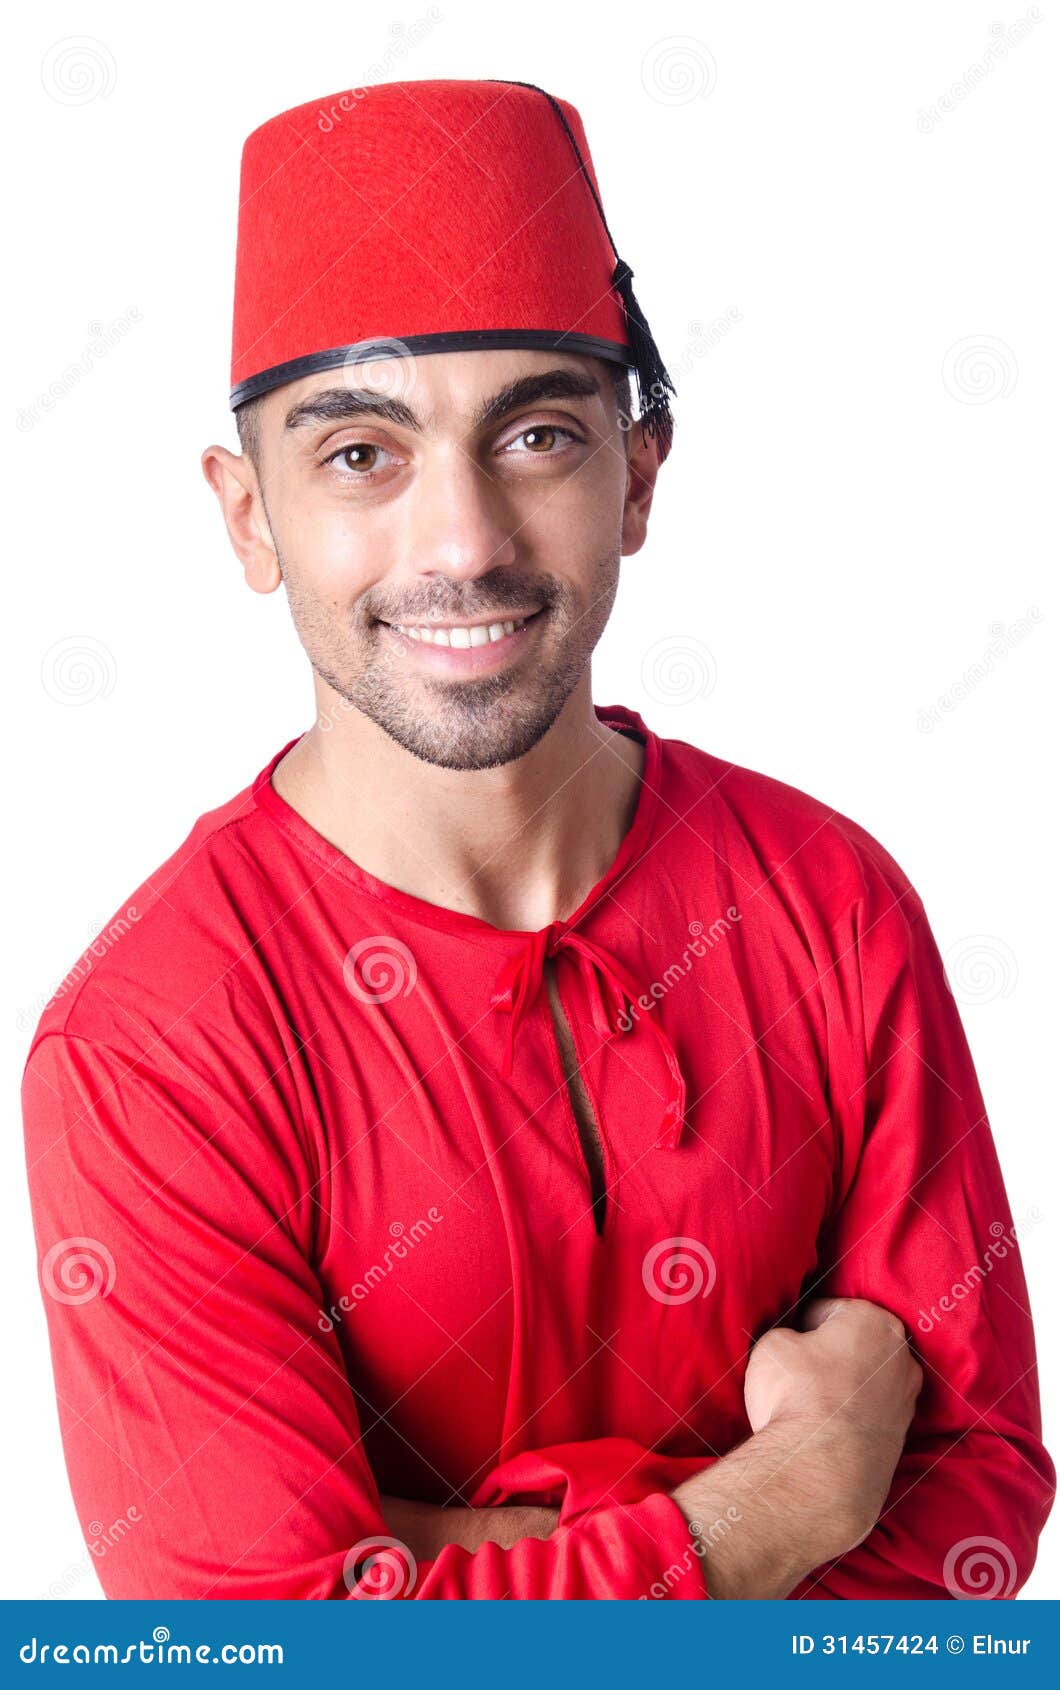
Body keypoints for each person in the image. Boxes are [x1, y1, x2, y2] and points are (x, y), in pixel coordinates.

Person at [22, 78, 1052, 1601]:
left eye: (541, 434)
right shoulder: (152, 1042)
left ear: (636, 476)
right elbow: (269, 1640)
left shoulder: (829, 900)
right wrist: (787, 1497)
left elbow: (975, 1506)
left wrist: (452, 1562)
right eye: (361, 454)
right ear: (248, 519)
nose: (463, 544)